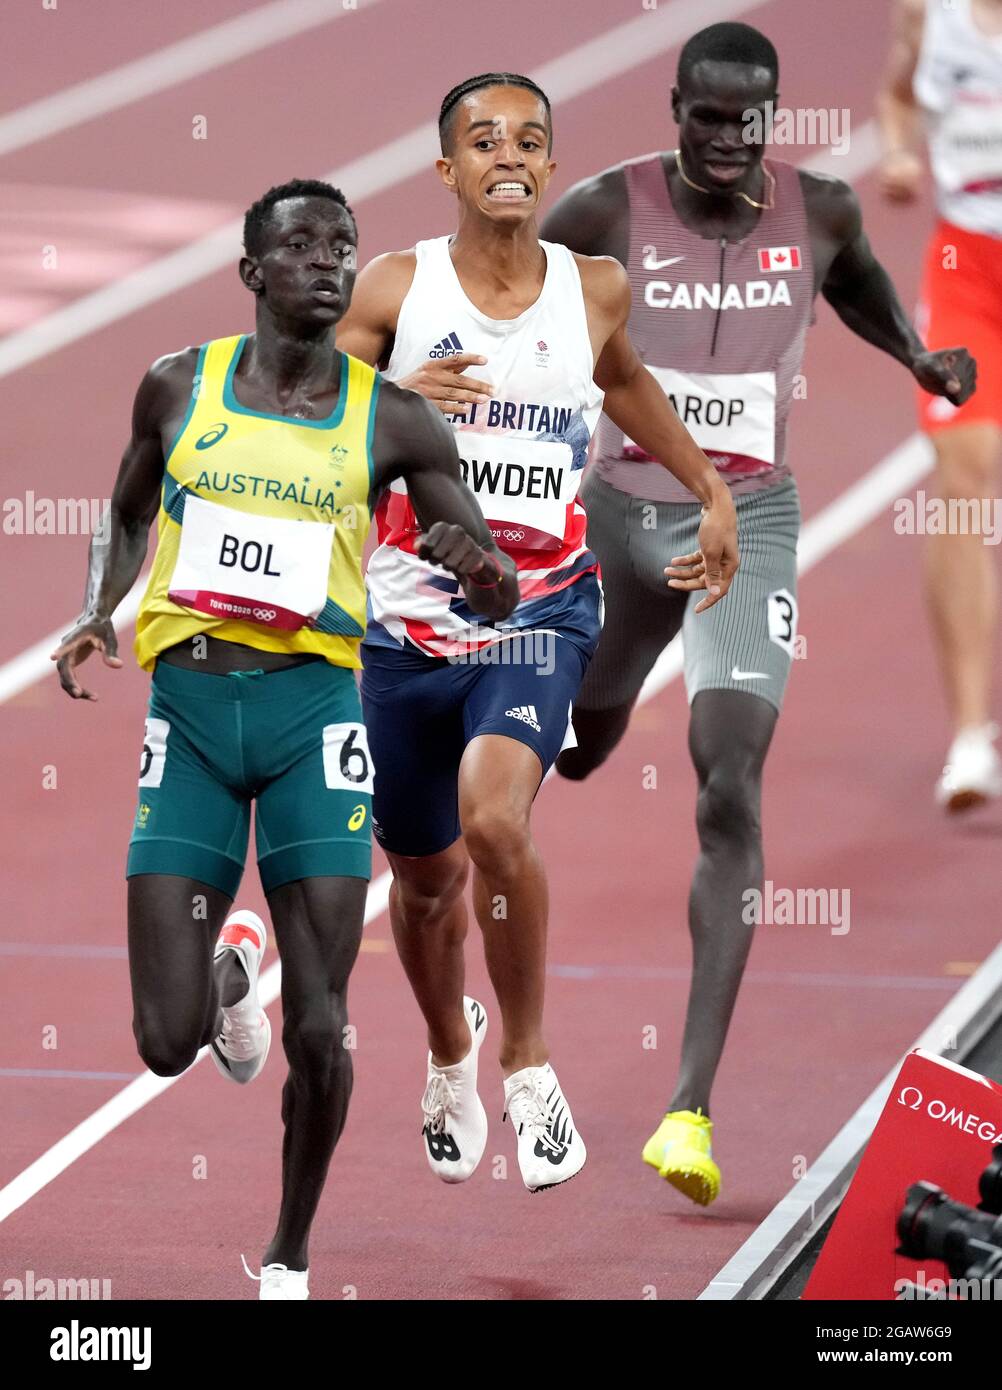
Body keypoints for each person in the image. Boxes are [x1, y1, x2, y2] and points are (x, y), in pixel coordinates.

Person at [50, 178, 517, 1297]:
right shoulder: (179, 386)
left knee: (320, 1027)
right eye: (300, 245)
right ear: (253, 270)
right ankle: (225, 977)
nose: (328, 262)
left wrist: (485, 572)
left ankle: (289, 1254)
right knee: (164, 1042)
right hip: (195, 719)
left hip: (315, 721)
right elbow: (126, 507)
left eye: (342, 246)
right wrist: (96, 610)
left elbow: (485, 566)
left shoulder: (394, 418)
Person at [538, 21, 976, 1204]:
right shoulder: (601, 210)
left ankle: (688, 1104)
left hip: (750, 526)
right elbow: (518, 315)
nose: (729, 141)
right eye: (707, 117)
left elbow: (872, 298)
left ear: (775, 116)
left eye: (751, 120)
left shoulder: (819, 213)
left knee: (729, 779)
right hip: (618, 519)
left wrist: (923, 362)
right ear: (674, 106)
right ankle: (609, 693)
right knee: (578, 740)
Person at [337, 73, 738, 1193]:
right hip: (404, 631)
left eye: (529, 140)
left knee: (493, 819)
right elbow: (301, 416)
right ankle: (452, 1051)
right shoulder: (395, 288)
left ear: (550, 166)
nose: (507, 155)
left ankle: (526, 1061)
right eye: (482, 140)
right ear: (448, 169)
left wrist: (707, 486)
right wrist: (396, 396)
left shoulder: (593, 287)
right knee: (423, 887)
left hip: (542, 610)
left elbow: (622, 380)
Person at [879, 0, 1002, 809]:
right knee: (965, 482)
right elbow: (897, 94)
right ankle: (970, 736)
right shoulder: (931, 11)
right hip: (966, 272)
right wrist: (898, 154)